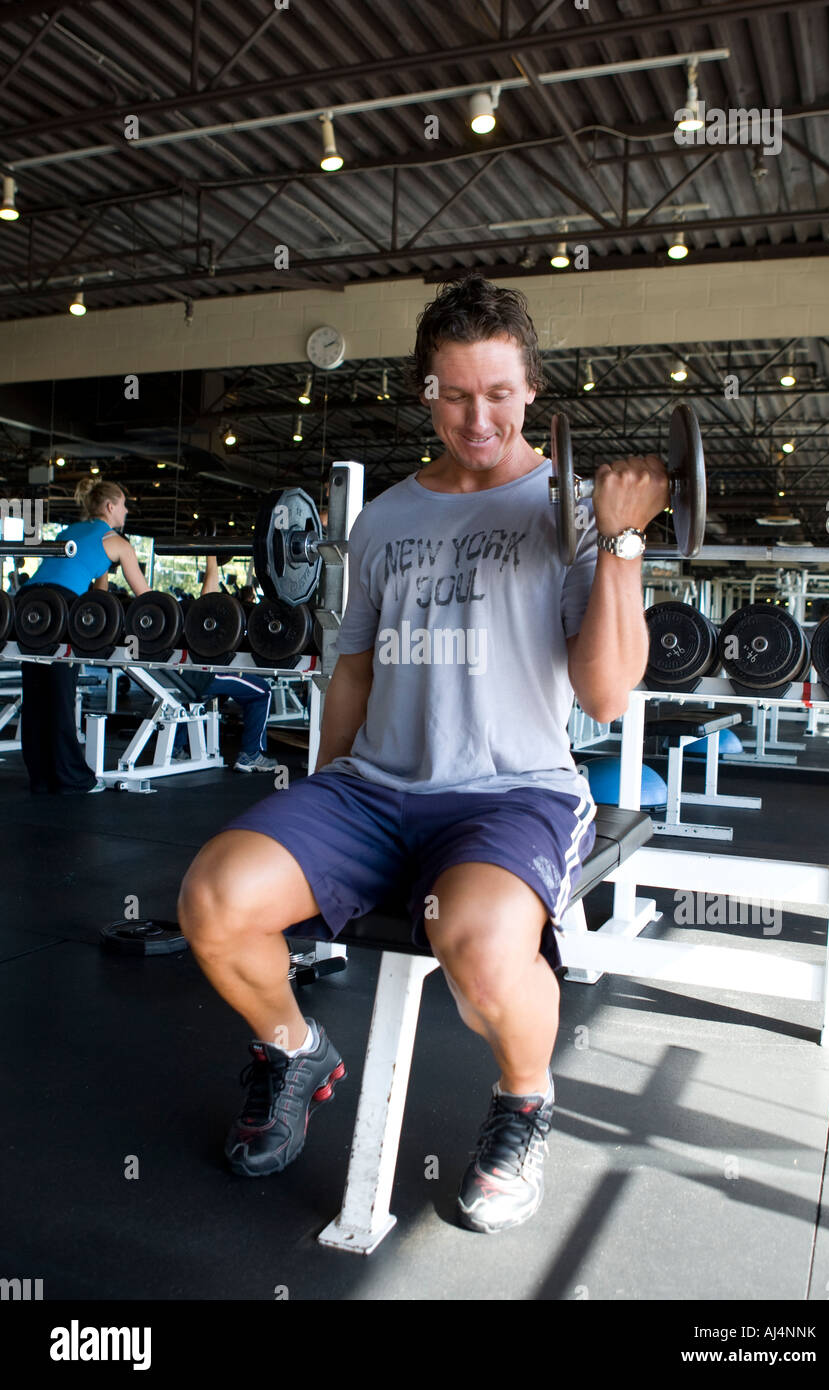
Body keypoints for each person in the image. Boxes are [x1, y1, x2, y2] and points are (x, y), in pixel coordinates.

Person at [177, 272, 666, 1234]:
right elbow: (350, 673)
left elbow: (606, 694)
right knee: (215, 900)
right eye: (453, 392)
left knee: (483, 950)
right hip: (370, 791)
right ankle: (293, 1048)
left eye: (495, 392)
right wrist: (316, 804)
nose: (475, 416)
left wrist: (622, 546)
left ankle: (525, 1102)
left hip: (510, 793)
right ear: (424, 392)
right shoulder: (386, 517)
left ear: (530, 391)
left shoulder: (569, 511)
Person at [18, 479, 150, 794]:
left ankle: (41, 776)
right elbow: (146, 598)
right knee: (60, 695)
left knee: (36, 694)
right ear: (110, 507)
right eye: (123, 504)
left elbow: (98, 594)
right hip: (61, 606)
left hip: (27, 604)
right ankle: (71, 779)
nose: (127, 510)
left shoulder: (70, 531)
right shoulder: (118, 542)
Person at [173, 557, 278, 773]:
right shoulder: (200, 619)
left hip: (176, 675)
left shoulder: (177, 618)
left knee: (195, 695)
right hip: (203, 676)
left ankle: (175, 749)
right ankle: (251, 754)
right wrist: (212, 557)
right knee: (263, 691)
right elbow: (208, 596)